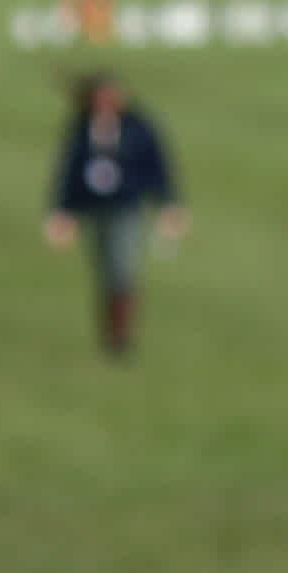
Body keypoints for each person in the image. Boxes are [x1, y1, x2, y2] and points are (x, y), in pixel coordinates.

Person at [41, 73, 182, 362]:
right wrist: (63, 212)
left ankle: (121, 335)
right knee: (104, 269)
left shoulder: (137, 127)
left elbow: (156, 167)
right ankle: (108, 329)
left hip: (126, 206)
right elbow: (70, 172)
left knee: (121, 267)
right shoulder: (83, 129)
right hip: (95, 208)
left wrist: (167, 204)